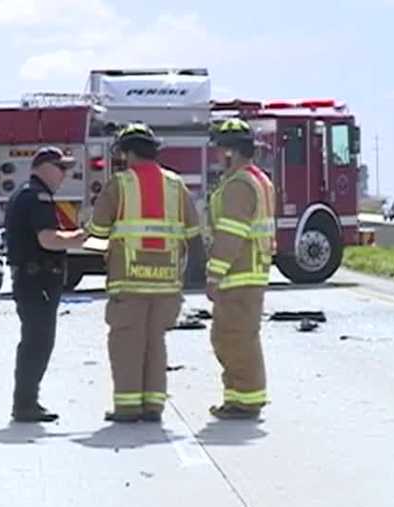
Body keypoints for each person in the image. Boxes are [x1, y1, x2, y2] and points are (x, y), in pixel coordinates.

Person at [85, 124, 202, 423]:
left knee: (127, 344)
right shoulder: (176, 185)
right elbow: (193, 233)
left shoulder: (119, 184)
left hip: (130, 280)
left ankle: (127, 407)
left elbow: (97, 234)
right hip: (166, 283)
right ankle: (153, 407)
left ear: (126, 152)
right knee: (155, 344)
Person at [4, 147, 89, 423]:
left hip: (32, 279)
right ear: (43, 167)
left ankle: (27, 401)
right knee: (38, 342)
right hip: (37, 280)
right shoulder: (37, 196)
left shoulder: (26, 193)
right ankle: (25, 404)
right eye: (60, 167)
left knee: (35, 340)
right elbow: (48, 239)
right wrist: (80, 237)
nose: (65, 174)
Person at [206, 118, 276, 420]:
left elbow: (230, 235)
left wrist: (213, 275)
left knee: (233, 338)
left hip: (239, 275)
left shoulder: (239, 184)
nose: (217, 156)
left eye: (220, 150)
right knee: (239, 337)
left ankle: (245, 401)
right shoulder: (259, 179)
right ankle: (240, 398)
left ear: (231, 152)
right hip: (251, 272)